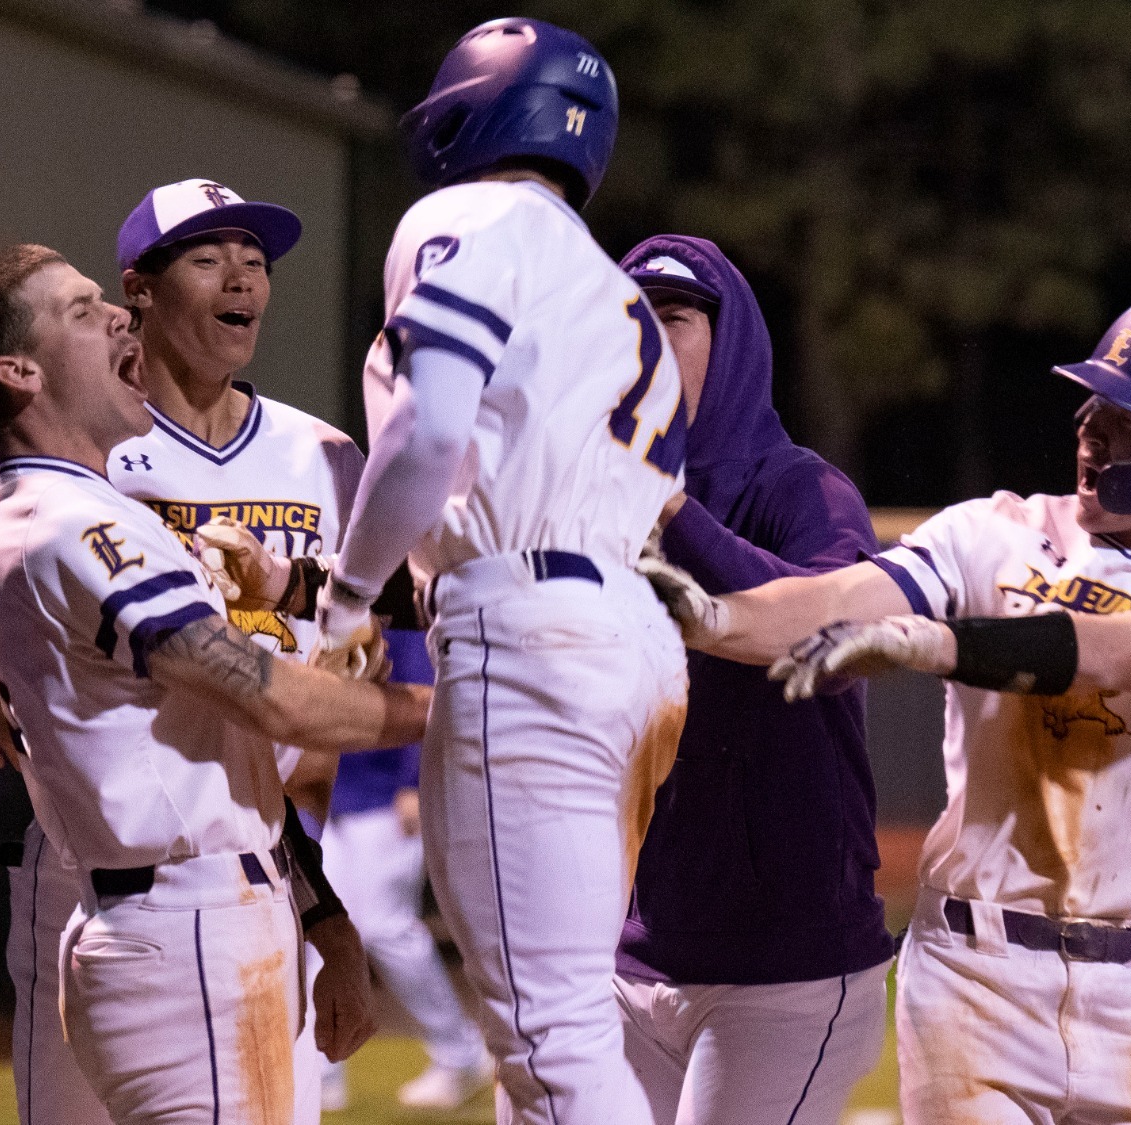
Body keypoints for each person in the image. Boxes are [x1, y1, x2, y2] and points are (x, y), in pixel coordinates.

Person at [651, 296, 1131, 1125]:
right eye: (1095, 400)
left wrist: (935, 645)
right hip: (973, 975)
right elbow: (836, 597)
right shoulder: (993, 531)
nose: (1093, 428)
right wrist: (720, 619)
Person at [0, 241, 427, 1125]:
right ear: (18, 371)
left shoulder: (89, 510)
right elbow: (267, 696)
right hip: (181, 924)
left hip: (205, 902)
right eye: (84, 310)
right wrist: (460, 710)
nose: (118, 320)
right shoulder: (64, 522)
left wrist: (319, 911)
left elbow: (228, 752)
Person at [316, 18, 691, 1123]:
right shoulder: (616, 293)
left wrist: (344, 595)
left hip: (525, 630)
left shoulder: (465, 214)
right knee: (569, 1020)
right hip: (626, 639)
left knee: (547, 1035)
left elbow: (431, 439)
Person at [611, 235, 894, 1125]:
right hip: (623, 954)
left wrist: (669, 509)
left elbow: (826, 619)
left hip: (786, 968)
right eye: (626, 321)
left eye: (674, 317)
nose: (645, 342)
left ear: (730, 346)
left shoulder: (805, 488)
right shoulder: (581, 496)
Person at [315, 620, 490, 1112]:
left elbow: (427, 695)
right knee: (315, 932)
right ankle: (322, 1068)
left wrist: (414, 780)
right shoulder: (324, 602)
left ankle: (461, 1052)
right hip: (331, 794)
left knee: (385, 927)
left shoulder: (396, 613)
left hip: (385, 797)